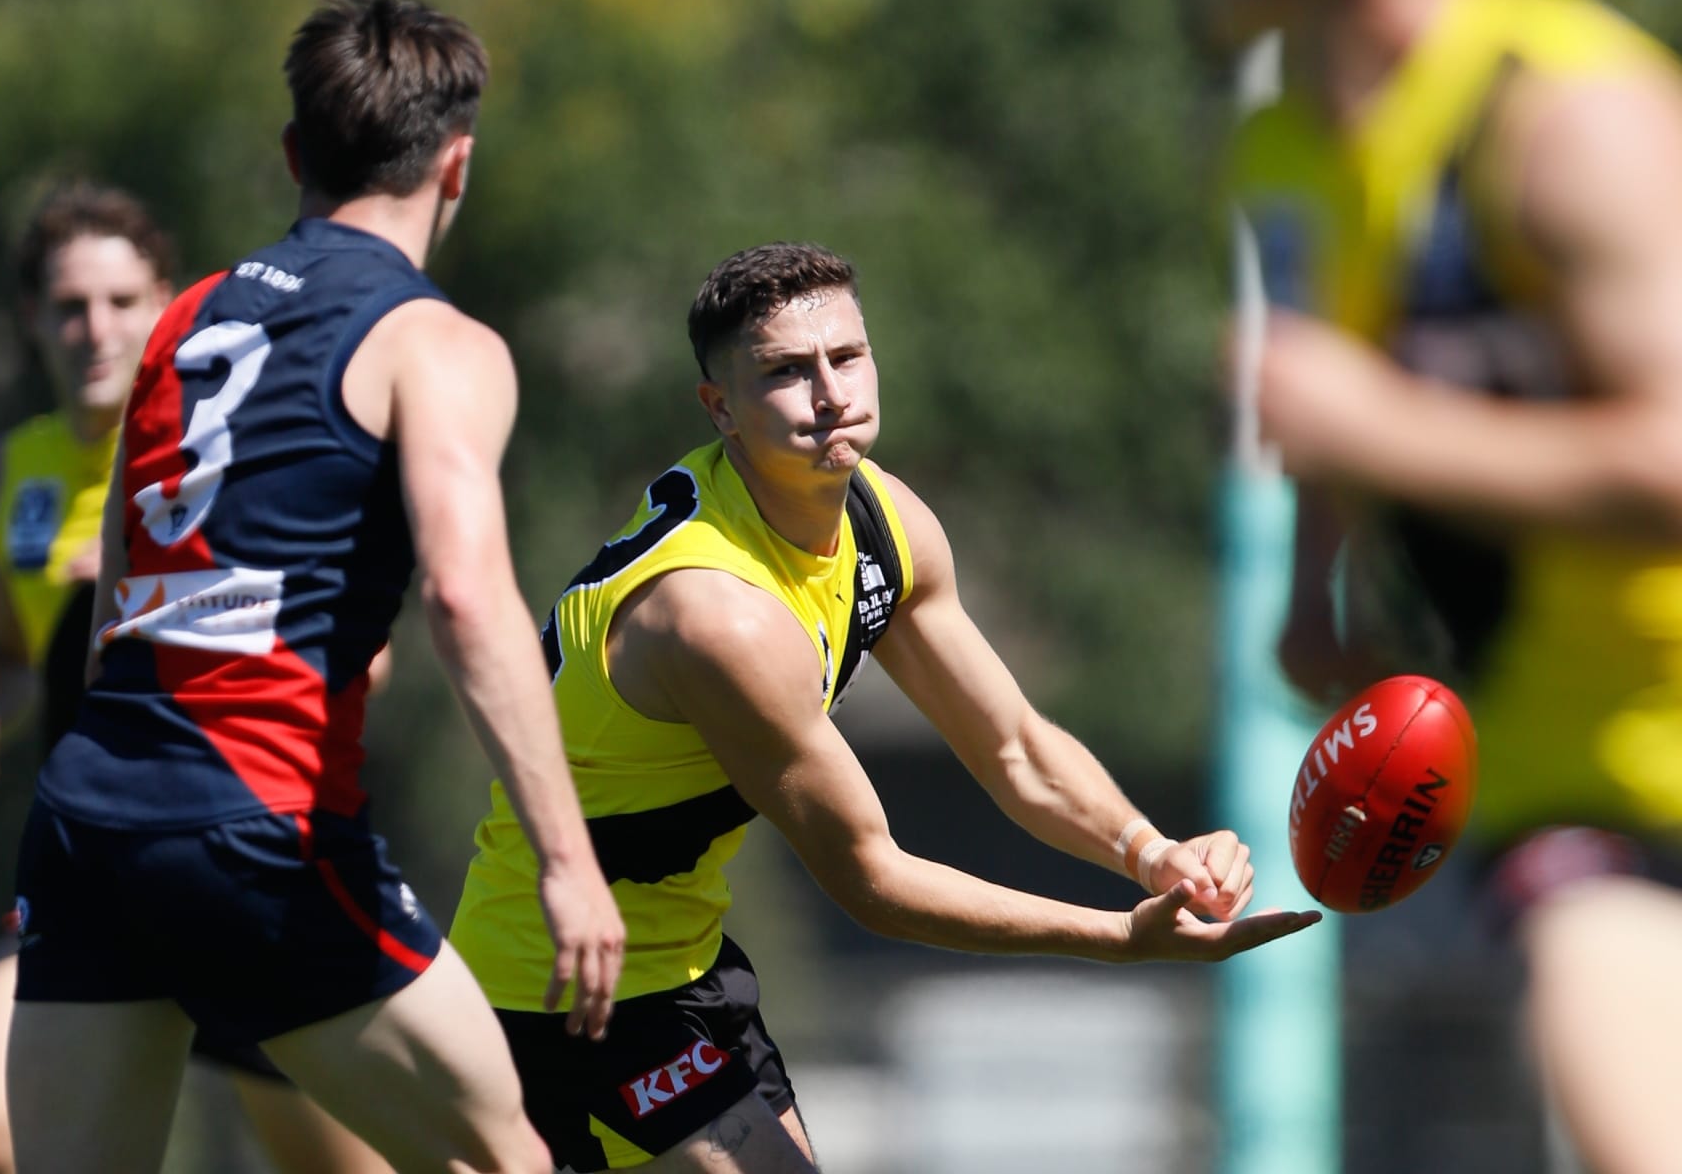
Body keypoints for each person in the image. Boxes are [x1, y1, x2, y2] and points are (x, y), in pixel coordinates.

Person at [449, 241, 1323, 1173]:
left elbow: (1017, 749)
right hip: (554, 997)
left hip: (679, 971)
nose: (830, 392)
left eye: (847, 357)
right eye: (785, 372)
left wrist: (1153, 857)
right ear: (721, 410)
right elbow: (871, 877)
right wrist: (1116, 939)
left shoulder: (880, 520)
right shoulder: (719, 617)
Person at [4, 0, 627, 1170]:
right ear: (458, 164)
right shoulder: (433, 343)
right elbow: (463, 594)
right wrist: (565, 859)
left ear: (295, 155)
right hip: (257, 820)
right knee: (507, 1156)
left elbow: (114, 616)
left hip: (89, 816)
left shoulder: (178, 324)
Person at [1224, 0, 1682, 1171]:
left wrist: (1381, 432)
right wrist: (1318, 596)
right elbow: (1335, 381)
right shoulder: (1282, 143)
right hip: (1568, 775)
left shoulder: (1568, 115)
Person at [0, 180, 396, 1174]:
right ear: (30, 318)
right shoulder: (6, 472)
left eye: (120, 301)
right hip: (90, 867)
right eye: (67, 304)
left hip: (239, 854)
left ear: (170, 304)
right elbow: (5, 651)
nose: (93, 329)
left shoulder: (219, 455)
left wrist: (160, 609)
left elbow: (359, 647)